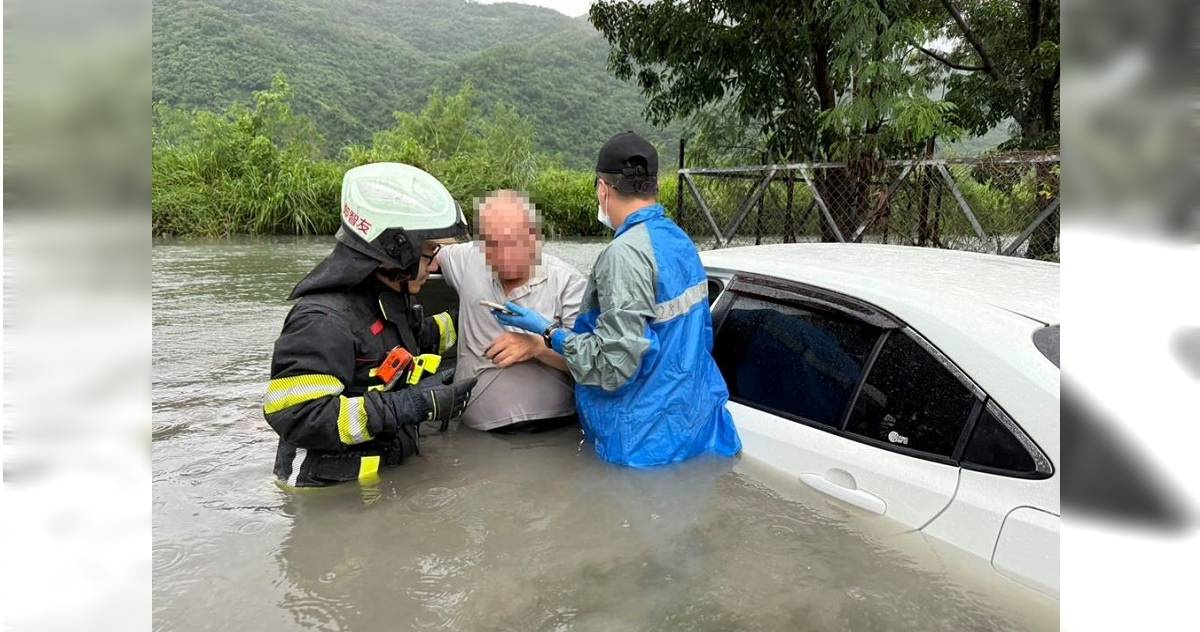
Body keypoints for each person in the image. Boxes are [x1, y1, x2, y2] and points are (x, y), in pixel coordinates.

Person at [495, 131, 742, 467]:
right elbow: (694, 337)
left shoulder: (624, 254)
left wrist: (549, 334)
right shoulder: (680, 241)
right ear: (655, 186)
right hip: (695, 425)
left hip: (643, 441)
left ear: (602, 189)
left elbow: (613, 368)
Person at [262, 162, 477, 488]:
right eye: (428, 252)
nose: (433, 264)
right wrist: (414, 405)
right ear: (395, 250)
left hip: (379, 479)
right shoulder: (321, 321)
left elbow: (422, 335)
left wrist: (478, 317)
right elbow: (300, 417)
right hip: (329, 494)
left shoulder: (385, 298)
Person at [430, 190, 587, 433]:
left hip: (553, 429)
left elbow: (591, 365)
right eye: (492, 244)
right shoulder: (469, 259)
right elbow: (429, 254)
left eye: (513, 241)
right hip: (475, 434)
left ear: (535, 237)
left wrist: (536, 347)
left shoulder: (568, 283)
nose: (503, 255)